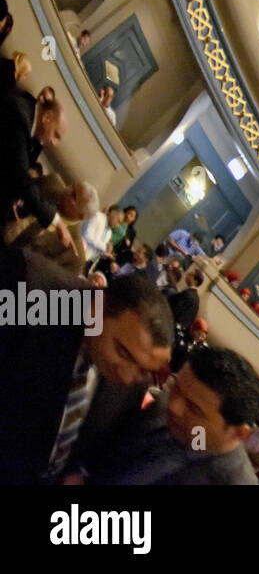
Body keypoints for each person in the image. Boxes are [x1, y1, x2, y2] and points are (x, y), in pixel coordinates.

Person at [0, 256, 174, 484]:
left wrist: (80, 471)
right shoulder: (29, 292)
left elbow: (97, 443)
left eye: (144, 369)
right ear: (98, 308)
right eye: (123, 353)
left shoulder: (136, 382)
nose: (127, 376)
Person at [78, 346, 259, 484]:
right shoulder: (160, 409)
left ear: (238, 433)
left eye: (193, 408)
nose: (174, 406)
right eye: (176, 387)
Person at [0, 84, 72, 250]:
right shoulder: (20, 118)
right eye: (56, 135)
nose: (54, 143)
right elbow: (20, 176)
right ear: (46, 118)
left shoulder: (30, 122)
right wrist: (56, 221)